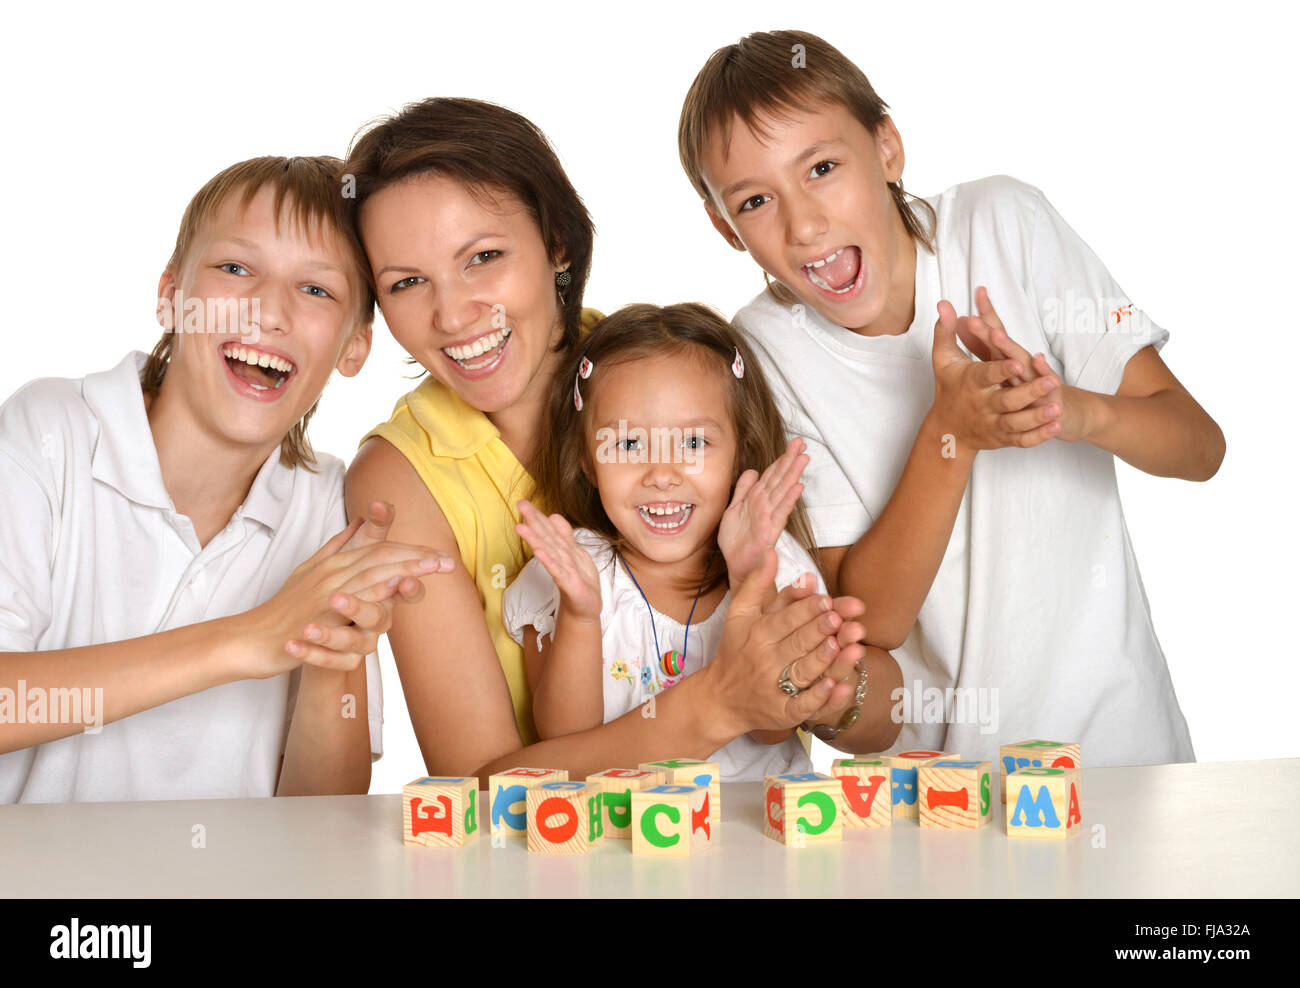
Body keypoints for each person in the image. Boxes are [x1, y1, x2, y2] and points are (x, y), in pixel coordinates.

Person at [676, 30, 1226, 767]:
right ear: (724, 227)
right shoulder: (765, 346)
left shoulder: (1006, 224)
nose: (803, 223)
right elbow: (873, 622)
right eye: (754, 200)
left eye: (824, 167)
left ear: (888, 147)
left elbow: (1200, 448)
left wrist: (1072, 409)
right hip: (938, 799)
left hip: (1122, 754)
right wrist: (952, 433)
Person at [344, 98, 897, 784]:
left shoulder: (673, 367)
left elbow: (872, 683)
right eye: (406, 282)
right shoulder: (398, 480)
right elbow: (477, 786)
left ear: (557, 244)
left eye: (484, 256)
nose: (454, 313)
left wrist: (826, 688)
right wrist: (721, 700)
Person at [0, 155, 453, 803]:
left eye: (317, 289)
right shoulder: (52, 433)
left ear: (354, 347)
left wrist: (333, 653)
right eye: (236, 268)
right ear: (170, 297)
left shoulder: (332, 506)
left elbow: (322, 823)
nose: (269, 311)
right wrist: (247, 638)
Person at [504, 303, 901, 780]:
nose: (663, 474)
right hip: (623, 842)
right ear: (588, 461)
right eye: (628, 445)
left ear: (738, 453)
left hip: (758, 836)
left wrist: (751, 581)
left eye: (693, 443)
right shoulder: (572, 571)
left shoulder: (773, 561)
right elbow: (565, 746)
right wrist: (580, 616)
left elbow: (770, 729)